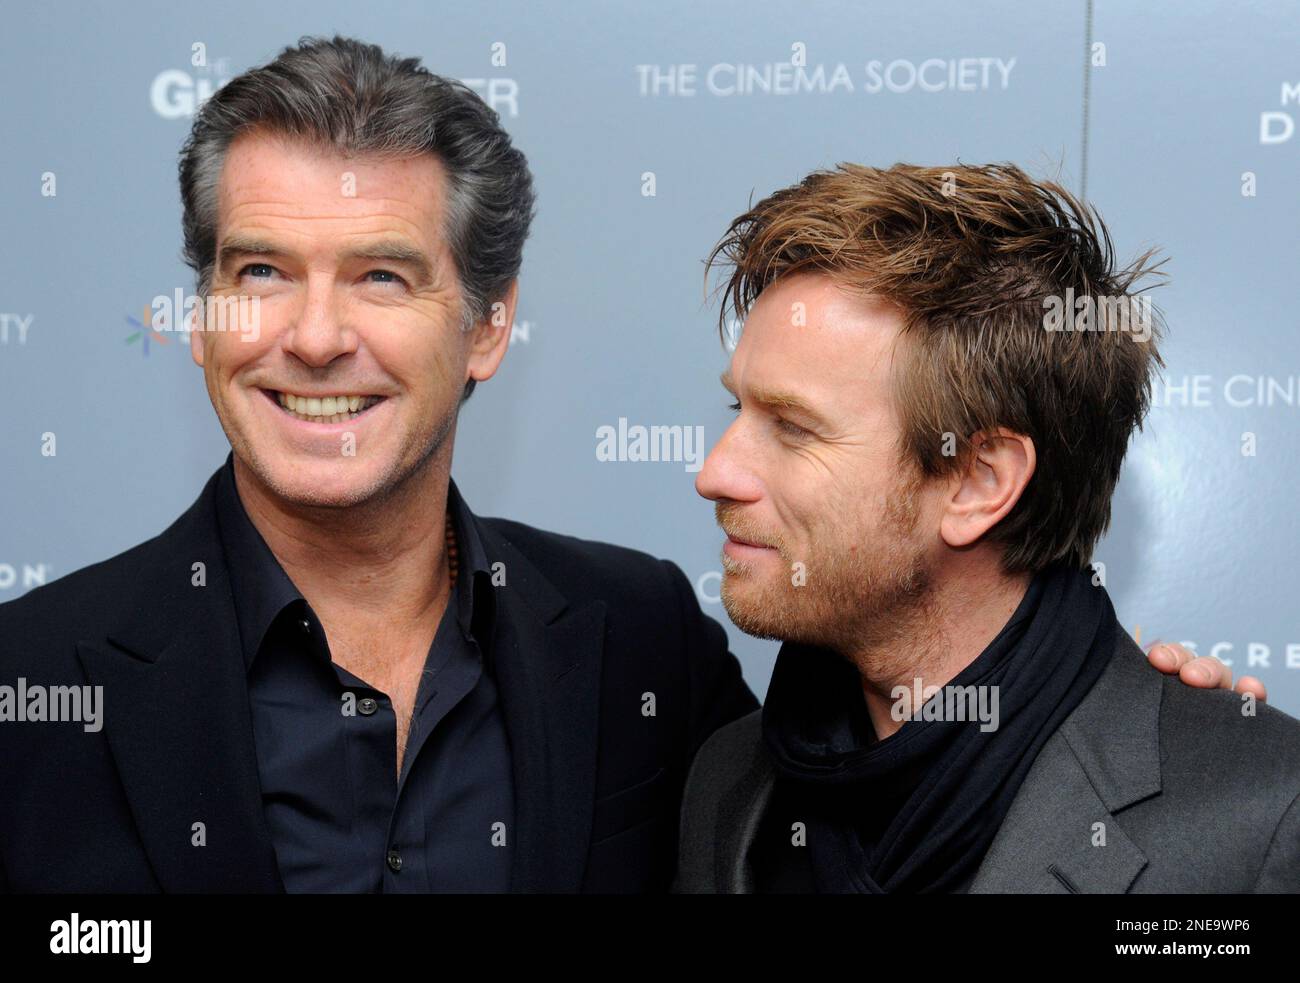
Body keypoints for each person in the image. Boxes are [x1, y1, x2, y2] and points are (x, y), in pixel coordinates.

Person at [676, 162, 1296, 893]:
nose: (714, 472)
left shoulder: (1258, 817)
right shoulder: (728, 784)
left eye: (793, 427)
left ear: (979, 482)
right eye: (736, 412)